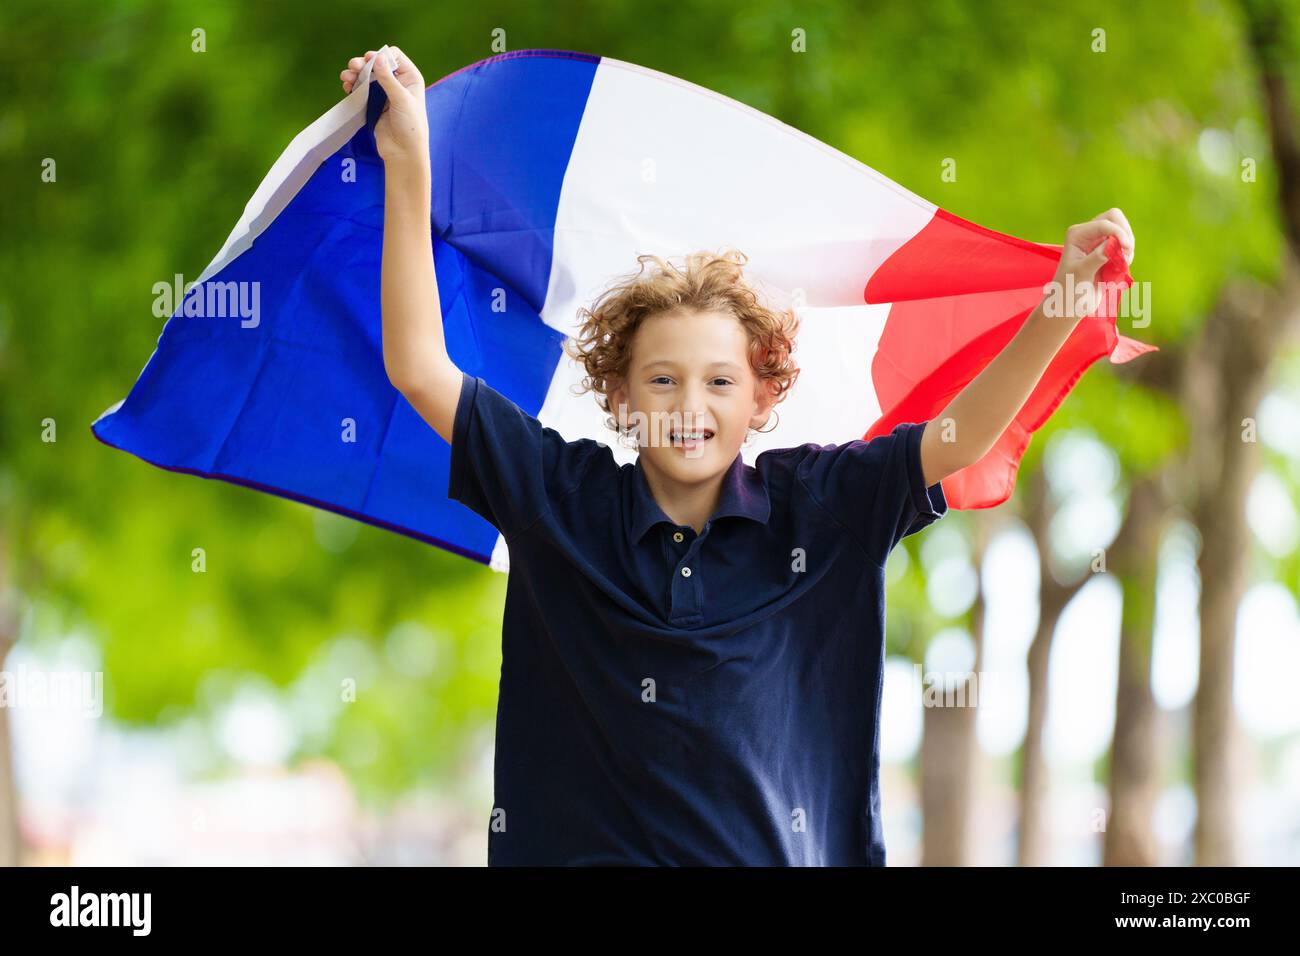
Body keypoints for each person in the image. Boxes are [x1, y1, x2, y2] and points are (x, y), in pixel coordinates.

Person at [342, 48, 1137, 866]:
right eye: (662, 379)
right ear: (618, 397)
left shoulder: (822, 507)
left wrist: (1065, 298)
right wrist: (411, 162)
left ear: (761, 398)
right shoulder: (558, 495)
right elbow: (418, 365)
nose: (692, 406)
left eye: (720, 381)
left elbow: (959, 436)